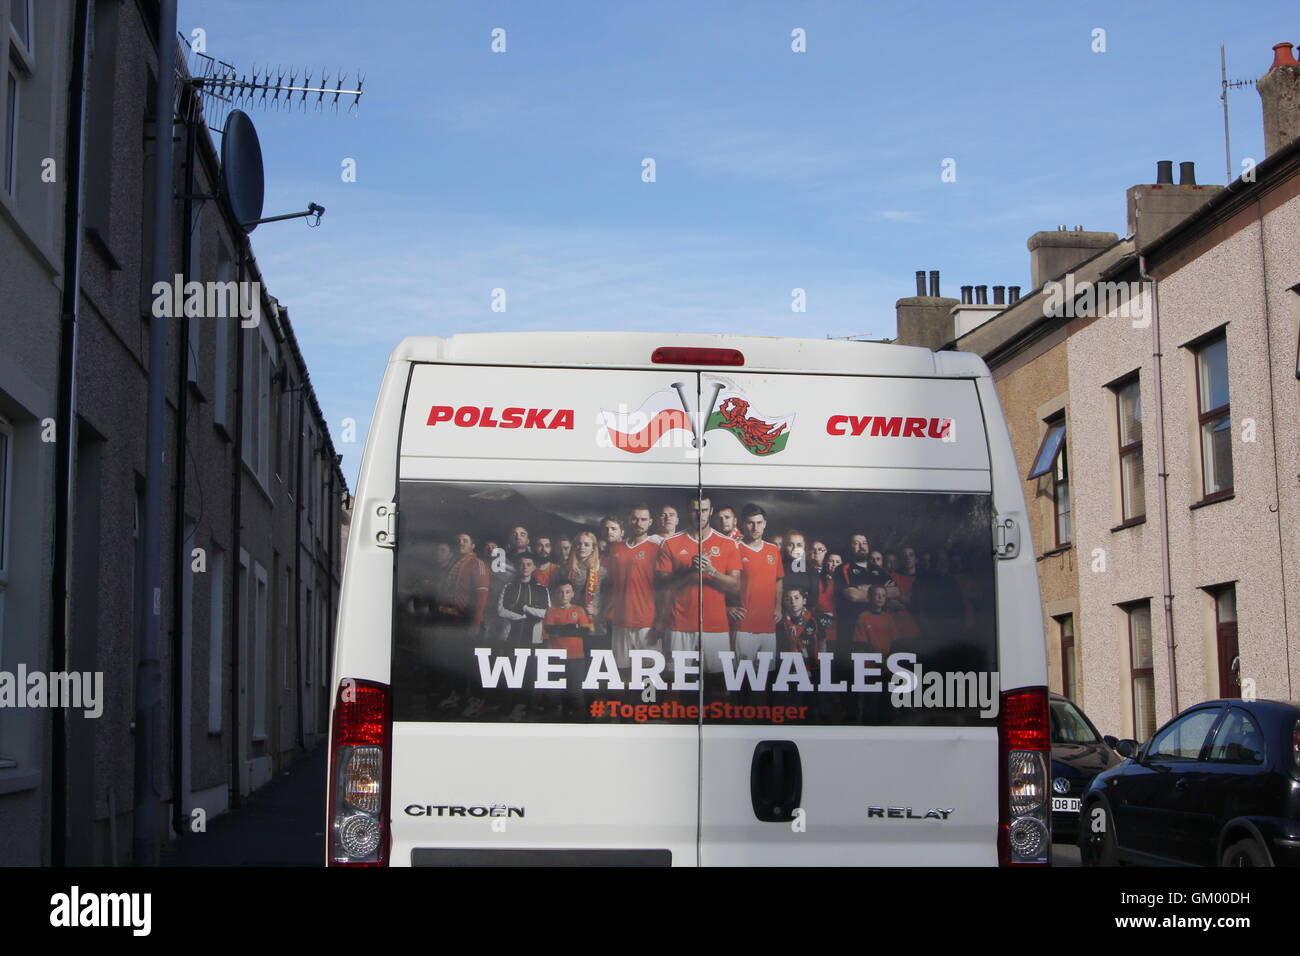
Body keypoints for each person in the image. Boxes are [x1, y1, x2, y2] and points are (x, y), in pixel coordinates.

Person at [655, 494, 741, 676]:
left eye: (703, 510)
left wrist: (711, 571)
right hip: (679, 624)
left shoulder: (728, 544)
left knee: (718, 683)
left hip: (715, 626)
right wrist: (689, 571)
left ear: (710, 511)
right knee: (676, 682)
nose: (699, 514)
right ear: (688, 511)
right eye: (695, 510)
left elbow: (735, 586)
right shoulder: (669, 543)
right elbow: (662, 584)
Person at [439, 533, 490, 713]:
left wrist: (475, 623)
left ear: (473, 545)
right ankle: (458, 695)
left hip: (470, 621)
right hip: (454, 620)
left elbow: (482, 595)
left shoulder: (478, 563)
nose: (461, 543)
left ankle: (477, 700)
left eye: (465, 540)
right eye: (458, 540)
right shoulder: (455, 564)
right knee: (456, 661)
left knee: (473, 664)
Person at [605, 504, 660, 671]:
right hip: (620, 621)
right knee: (621, 674)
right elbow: (610, 584)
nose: (639, 523)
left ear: (650, 522)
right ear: (629, 521)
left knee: (649, 674)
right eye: (635, 518)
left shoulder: (658, 548)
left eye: (643, 519)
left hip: (647, 621)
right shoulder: (616, 548)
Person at [496, 553, 550, 719]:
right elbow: (501, 610)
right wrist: (521, 617)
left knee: (531, 672)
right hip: (511, 635)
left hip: (534, 636)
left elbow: (547, 612)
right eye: (521, 564)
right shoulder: (508, 587)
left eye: (528, 564)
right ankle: (510, 706)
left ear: (533, 567)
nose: (524, 567)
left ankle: (527, 707)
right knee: (511, 671)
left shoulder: (542, 589)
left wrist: (526, 609)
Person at [732, 505, 783, 668]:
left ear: (765, 523)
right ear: (742, 524)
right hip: (743, 625)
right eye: (750, 523)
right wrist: (727, 607)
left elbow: (778, 580)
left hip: (768, 625)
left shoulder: (773, 550)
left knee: (764, 679)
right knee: (741, 678)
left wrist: (779, 607)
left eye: (759, 522)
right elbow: (722, 582)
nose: (755, 527)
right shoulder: (734, 548)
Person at [543, 581, 593, 719]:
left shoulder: (578, 610)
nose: (564, 595)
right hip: (555, 657)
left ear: (572, 594)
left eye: (567, 592)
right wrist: (572, 628)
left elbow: (584, 631)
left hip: (576, 658)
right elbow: (549, 631)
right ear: (556, 594)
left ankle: (579, 723)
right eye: (561, 592)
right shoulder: (551, 610)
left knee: (575, 693)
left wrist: (560, 630)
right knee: (554, 694)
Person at [565, 531, 607, 636]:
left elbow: (610, 598)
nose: (582, 547)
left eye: (587, 544)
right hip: (570, 621)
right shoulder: (564, 570)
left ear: (593, 548)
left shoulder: (601, 571)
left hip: (594, 622)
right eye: (578, 544)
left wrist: (598, 611)